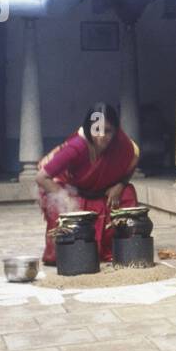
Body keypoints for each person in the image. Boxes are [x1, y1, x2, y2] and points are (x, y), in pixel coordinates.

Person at [36, 102, 139, 265]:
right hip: (75, 195)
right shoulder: (77, 146)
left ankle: (121, 246)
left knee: (127, 193)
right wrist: (66, 200)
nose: (102, 136)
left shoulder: (122, 144)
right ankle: (66, 251)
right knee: (55, 204)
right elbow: (42, 177)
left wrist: (120, 184)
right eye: (96, 130)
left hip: (103, 195)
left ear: (116, 130)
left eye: (108, 131)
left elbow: (131, 162)